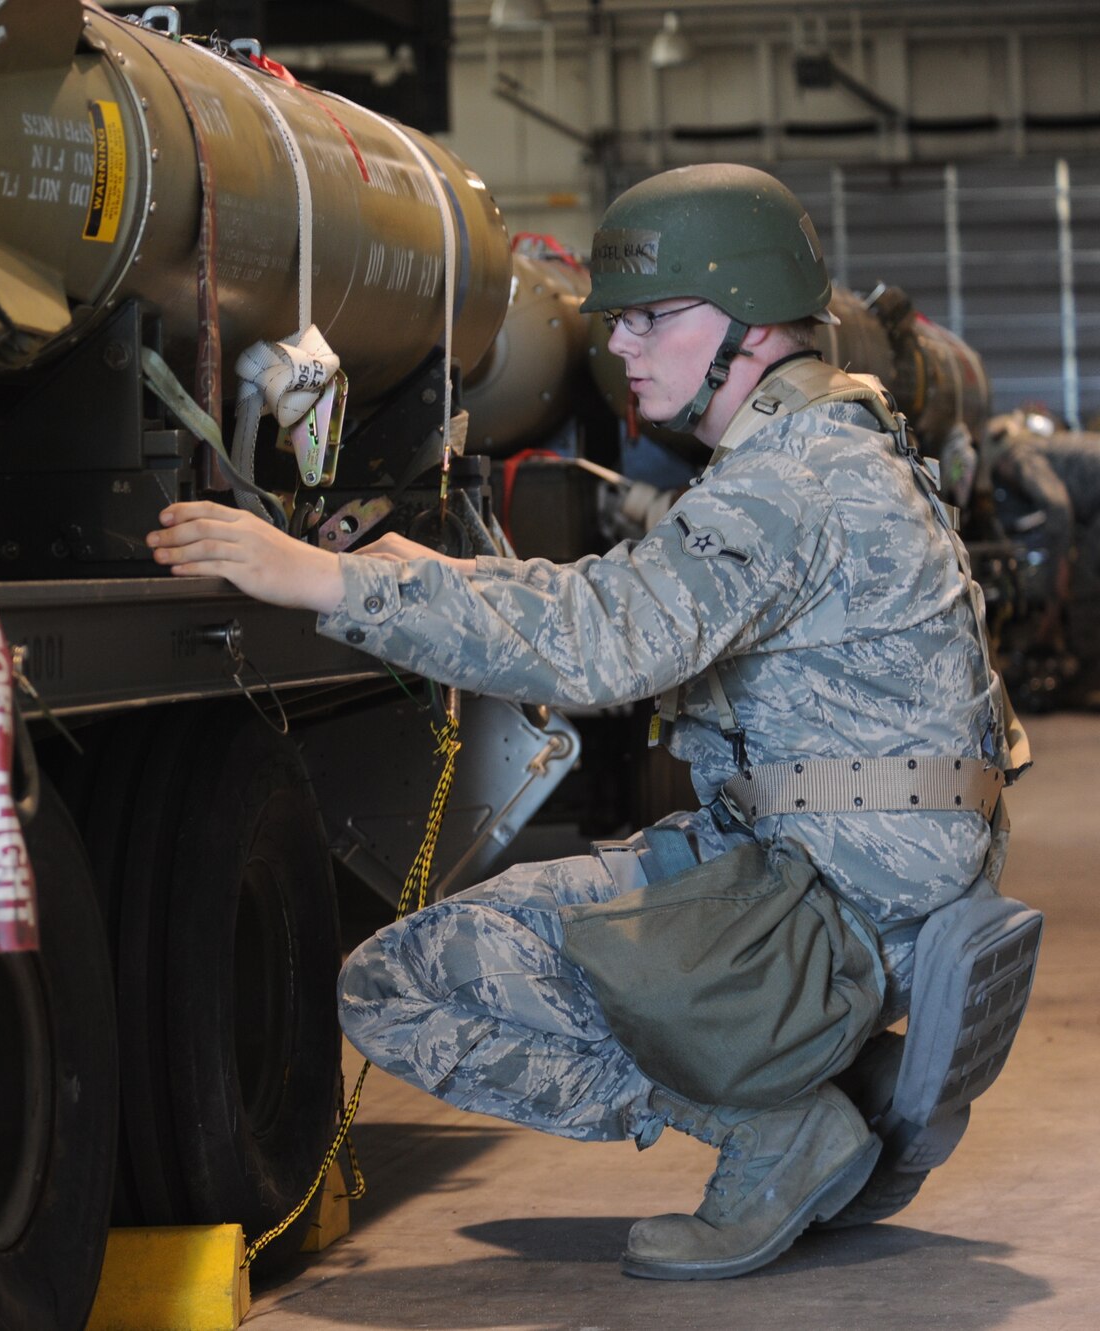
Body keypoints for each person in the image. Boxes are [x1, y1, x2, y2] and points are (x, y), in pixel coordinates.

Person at [145, 164, 1026, 1280]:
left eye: (652, 317)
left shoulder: (790, 480)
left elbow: (606, 645)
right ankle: (840, 1096)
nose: (619, 345)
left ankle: (777, 1126)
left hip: (832, 896)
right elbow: (638, 591)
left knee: (396, 983)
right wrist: (449, 577)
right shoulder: (847, 445)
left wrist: (323, 581)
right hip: (874, 870)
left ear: (747, 326)